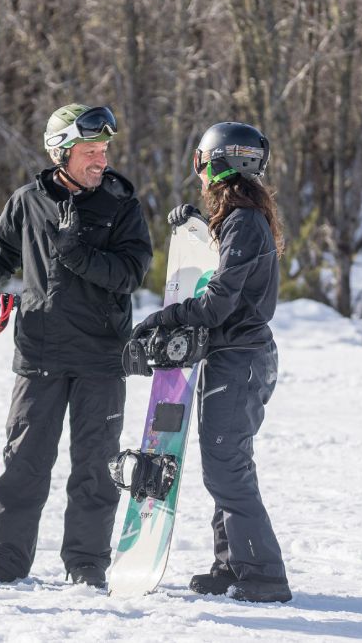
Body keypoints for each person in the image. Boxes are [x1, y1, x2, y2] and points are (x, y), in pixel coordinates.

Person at [0, 104, 152, 588]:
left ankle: (86, 564)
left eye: (104, 151)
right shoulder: (28, 201)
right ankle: (4, 560)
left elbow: (130, 274)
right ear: (60, 152)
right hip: (40, 354)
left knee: (95, 469)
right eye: (90, 152)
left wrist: (76, 253)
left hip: (101, 359)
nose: (100, 160)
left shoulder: (121, 204)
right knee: (23, 463)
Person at [134, 122, 291, 603]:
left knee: (226, 466)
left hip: (241, 359)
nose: (198, 172)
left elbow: (218, 301)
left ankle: (264, 575)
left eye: (201, 162)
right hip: (233, 358)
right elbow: (219, 271)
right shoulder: (239, 219)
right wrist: (196, 229)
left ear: (216, 162)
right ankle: (232, 563)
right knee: (224, 463)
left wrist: (165, 318)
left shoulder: (244, 221)